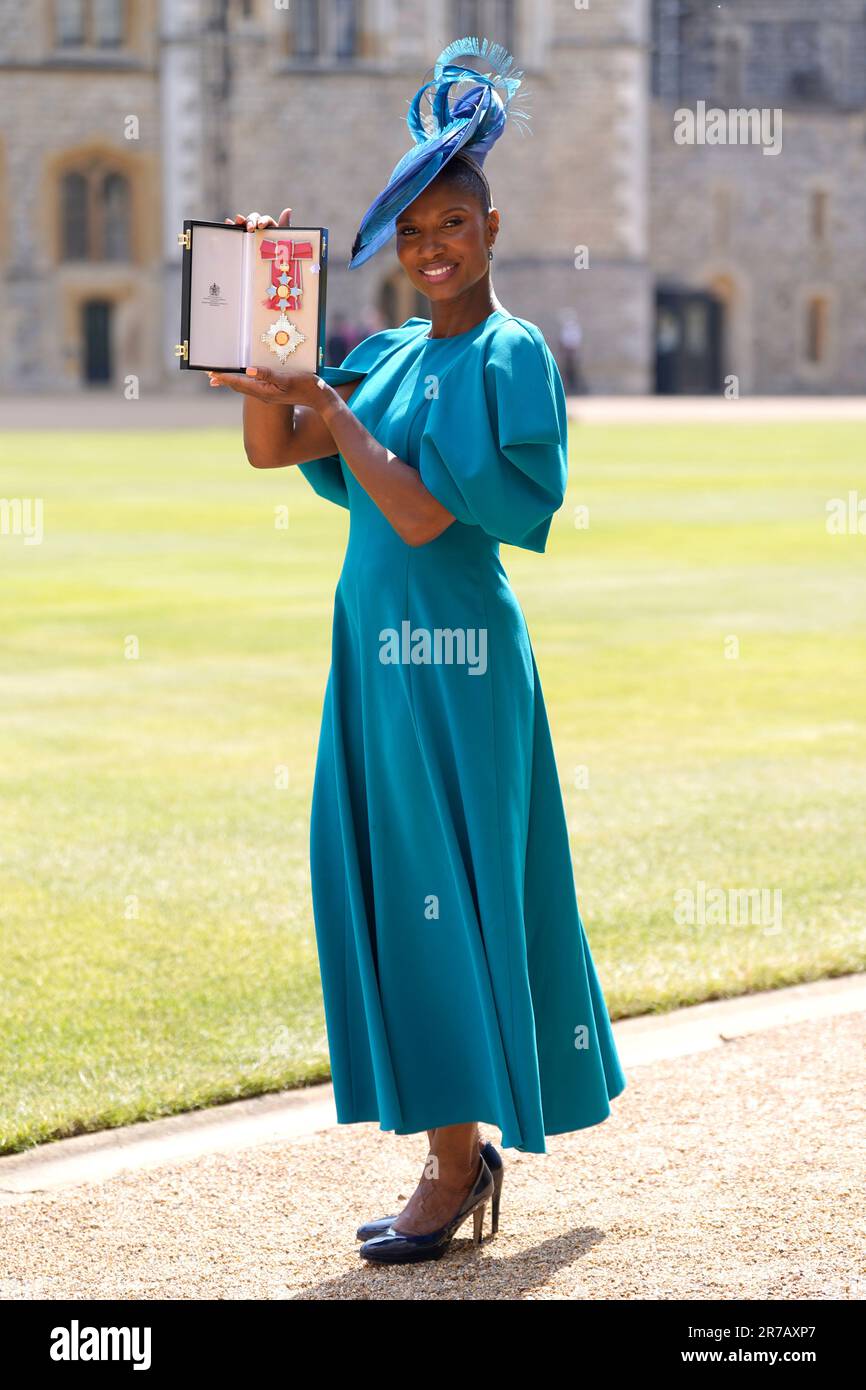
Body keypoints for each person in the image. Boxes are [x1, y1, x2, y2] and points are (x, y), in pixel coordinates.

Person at [207, 34, 626, 1267]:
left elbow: (427, 510)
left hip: (461, 668)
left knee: (455, 892)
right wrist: (264, 302)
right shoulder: (383, 354)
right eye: (412, 234)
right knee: (396, 894)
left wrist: (323, 401)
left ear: (489, 235)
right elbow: (272, 449)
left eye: (452, 226)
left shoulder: (513, 354)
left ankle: (453, 1168)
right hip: (374, 663)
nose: (430, 249)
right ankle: (451, 1151)